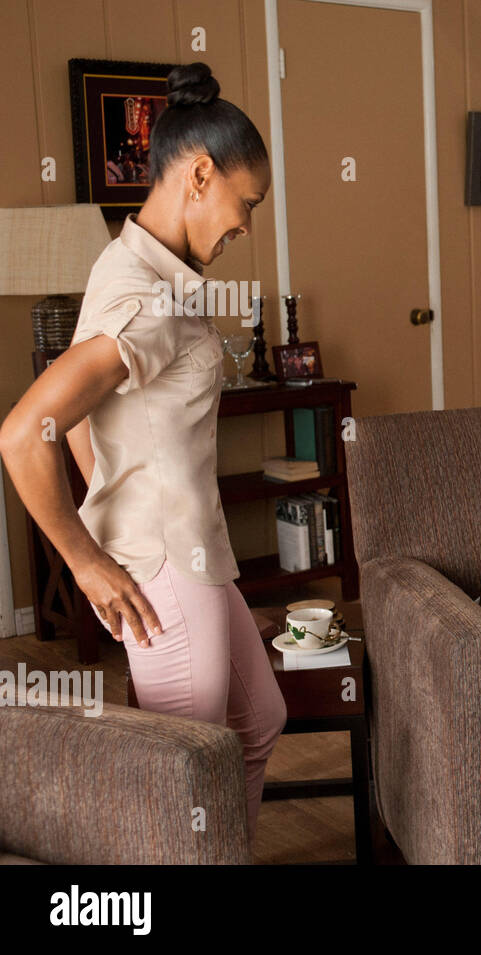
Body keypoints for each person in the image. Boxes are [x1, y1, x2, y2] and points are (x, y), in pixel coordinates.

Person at [0, 63, 285, 844]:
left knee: (260, 720)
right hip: (165, 565)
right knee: (188, 774)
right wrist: (89, 559)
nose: (246, 226)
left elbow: (90, 422)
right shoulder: (146, 299)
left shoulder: (137, 267)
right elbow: (26, 432)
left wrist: (111, 505)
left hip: (188, 551)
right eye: (246, 203)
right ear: (200, 173)